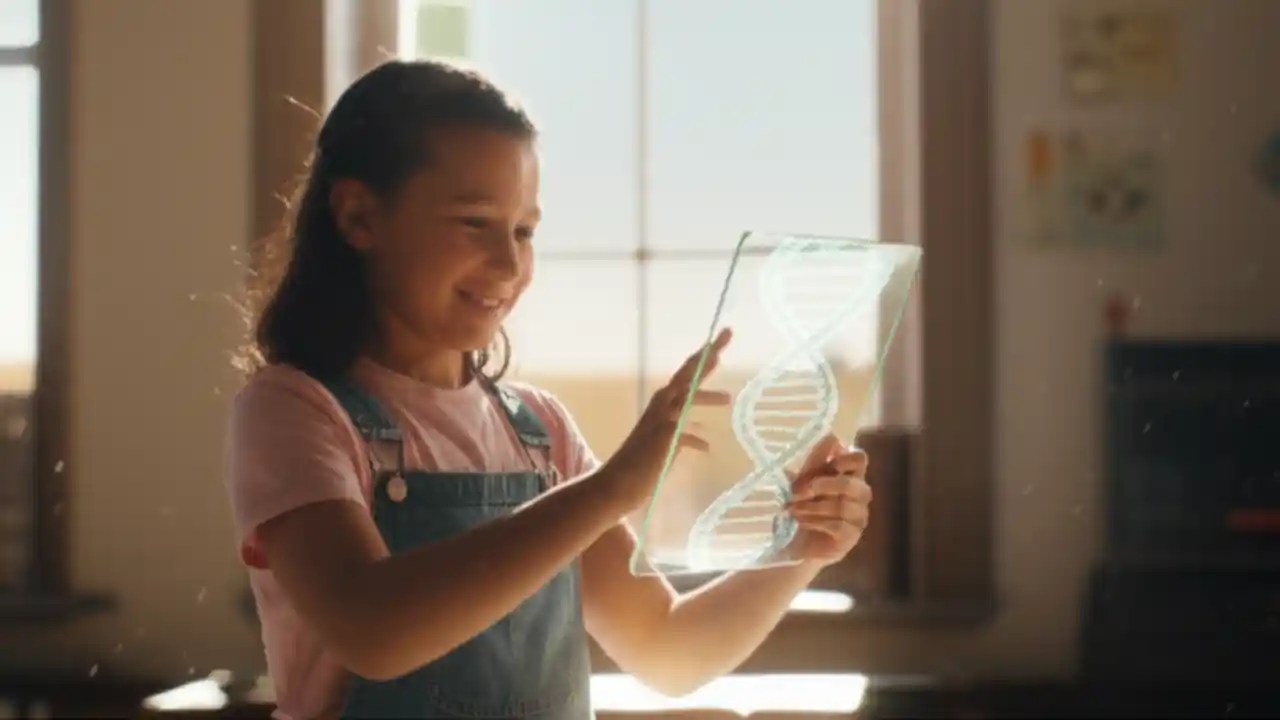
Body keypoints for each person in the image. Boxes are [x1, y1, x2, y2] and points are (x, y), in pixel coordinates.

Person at [225, 59, 872, 720]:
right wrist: (608, 491)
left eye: (525, 231)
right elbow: (374, 631)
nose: (509, 264)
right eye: (474, 223)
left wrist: (800, 550)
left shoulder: (540, 432)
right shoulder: (293, 410)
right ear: (359, 216)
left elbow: (668, 650)